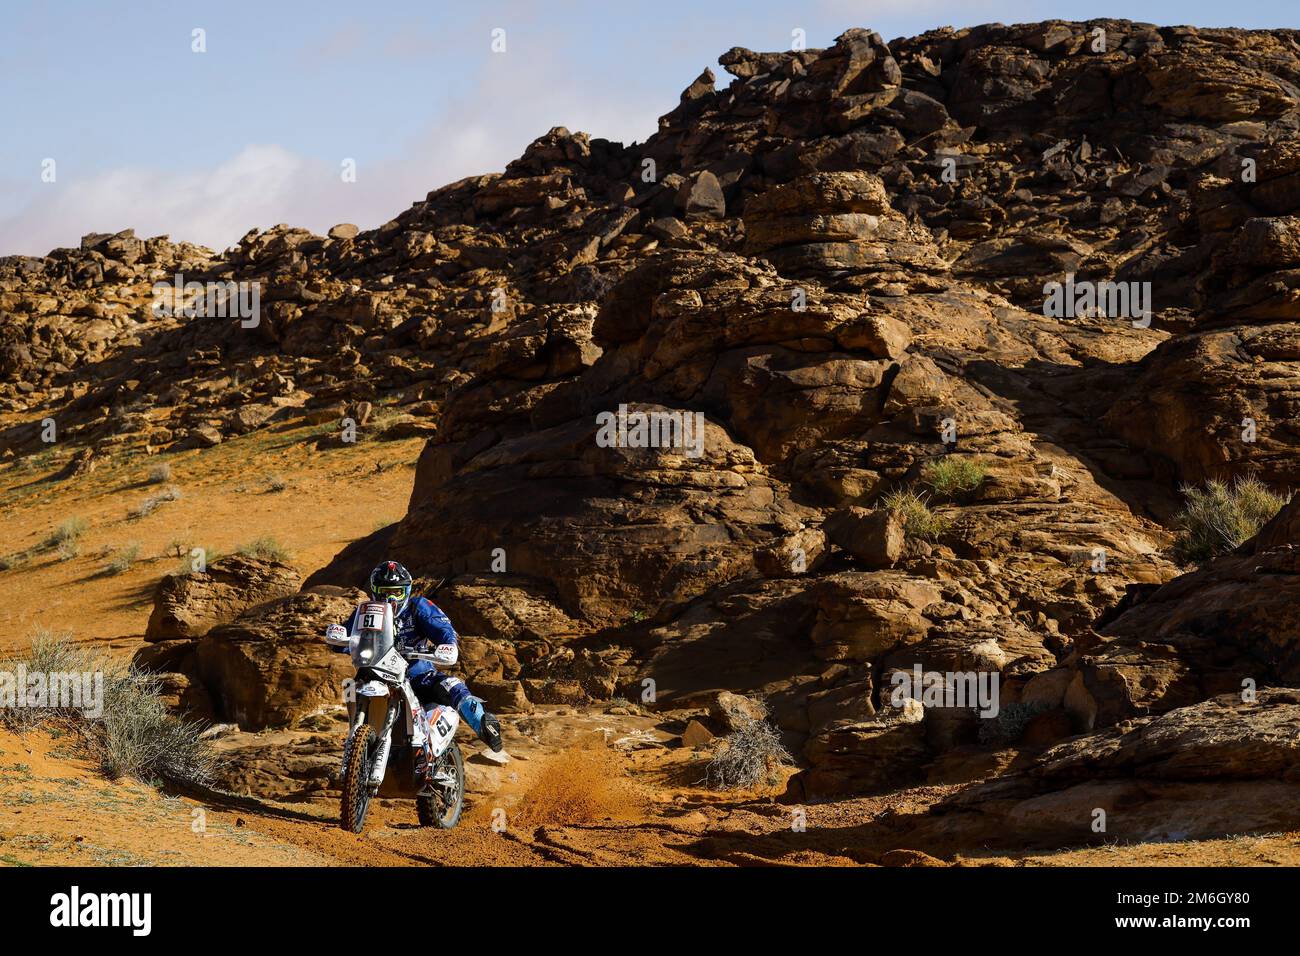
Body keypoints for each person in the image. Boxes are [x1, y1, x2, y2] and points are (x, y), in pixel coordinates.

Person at [335, 561, 503, 759]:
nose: (389, 598)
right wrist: (338, 634)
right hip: (375, 673)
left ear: (406, 591)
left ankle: (485, 726)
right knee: (350, 688)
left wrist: (447, 644)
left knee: (453, 686)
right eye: (383, 592)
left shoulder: (417, 607)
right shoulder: (366, 612)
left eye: (396, 592)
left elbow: (444, 630)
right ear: (374, 591)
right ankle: (355, 752)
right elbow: (346, 633)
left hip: (418, 676)